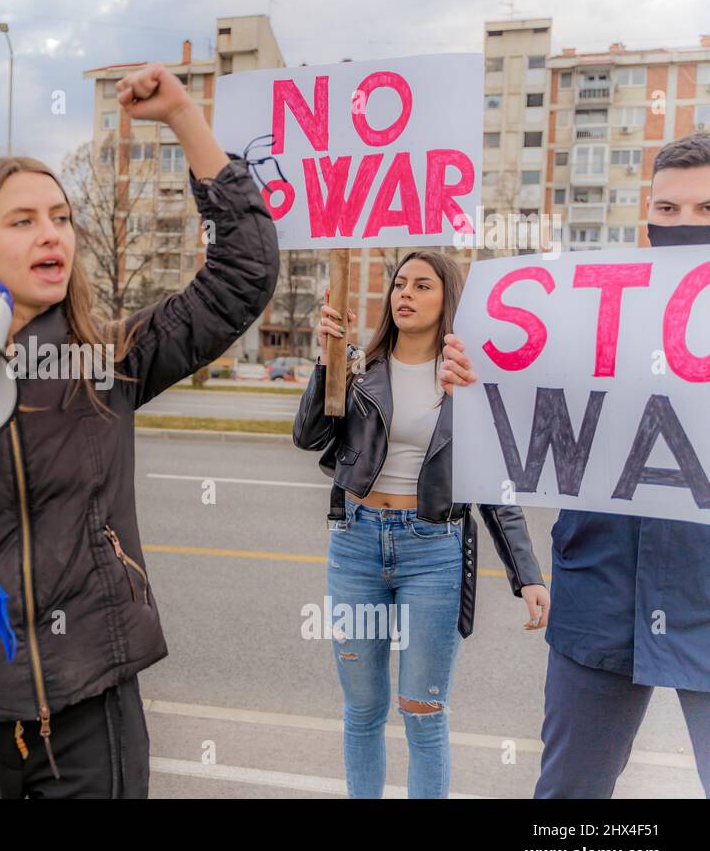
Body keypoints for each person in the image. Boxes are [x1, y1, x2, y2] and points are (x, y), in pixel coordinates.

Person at [0, 63, 280, 798]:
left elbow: (241, 277)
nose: (52, 235)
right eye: (23, 220)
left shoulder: (103, 360)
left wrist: (184, 120)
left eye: (60, 217)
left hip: (91, 697)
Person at [441, 132, 710, 798]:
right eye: (668, 209)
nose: (684, 225)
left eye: (706, 210)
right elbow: (527, 401)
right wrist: (472, 380)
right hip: (602, 596)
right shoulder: (589, 313)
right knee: (568, 798)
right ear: (646, 214)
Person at [293, 249, 548, 799]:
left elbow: (492, 487)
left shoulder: (465, 378)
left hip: (434, 549)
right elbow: (308, 437)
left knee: (423, 709)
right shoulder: (360, 367)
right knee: (363, 708)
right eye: (400, 284)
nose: (405, 294)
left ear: (447, 299)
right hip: (356, 544)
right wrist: (326, 362)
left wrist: (527, 573)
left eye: (422, 286)